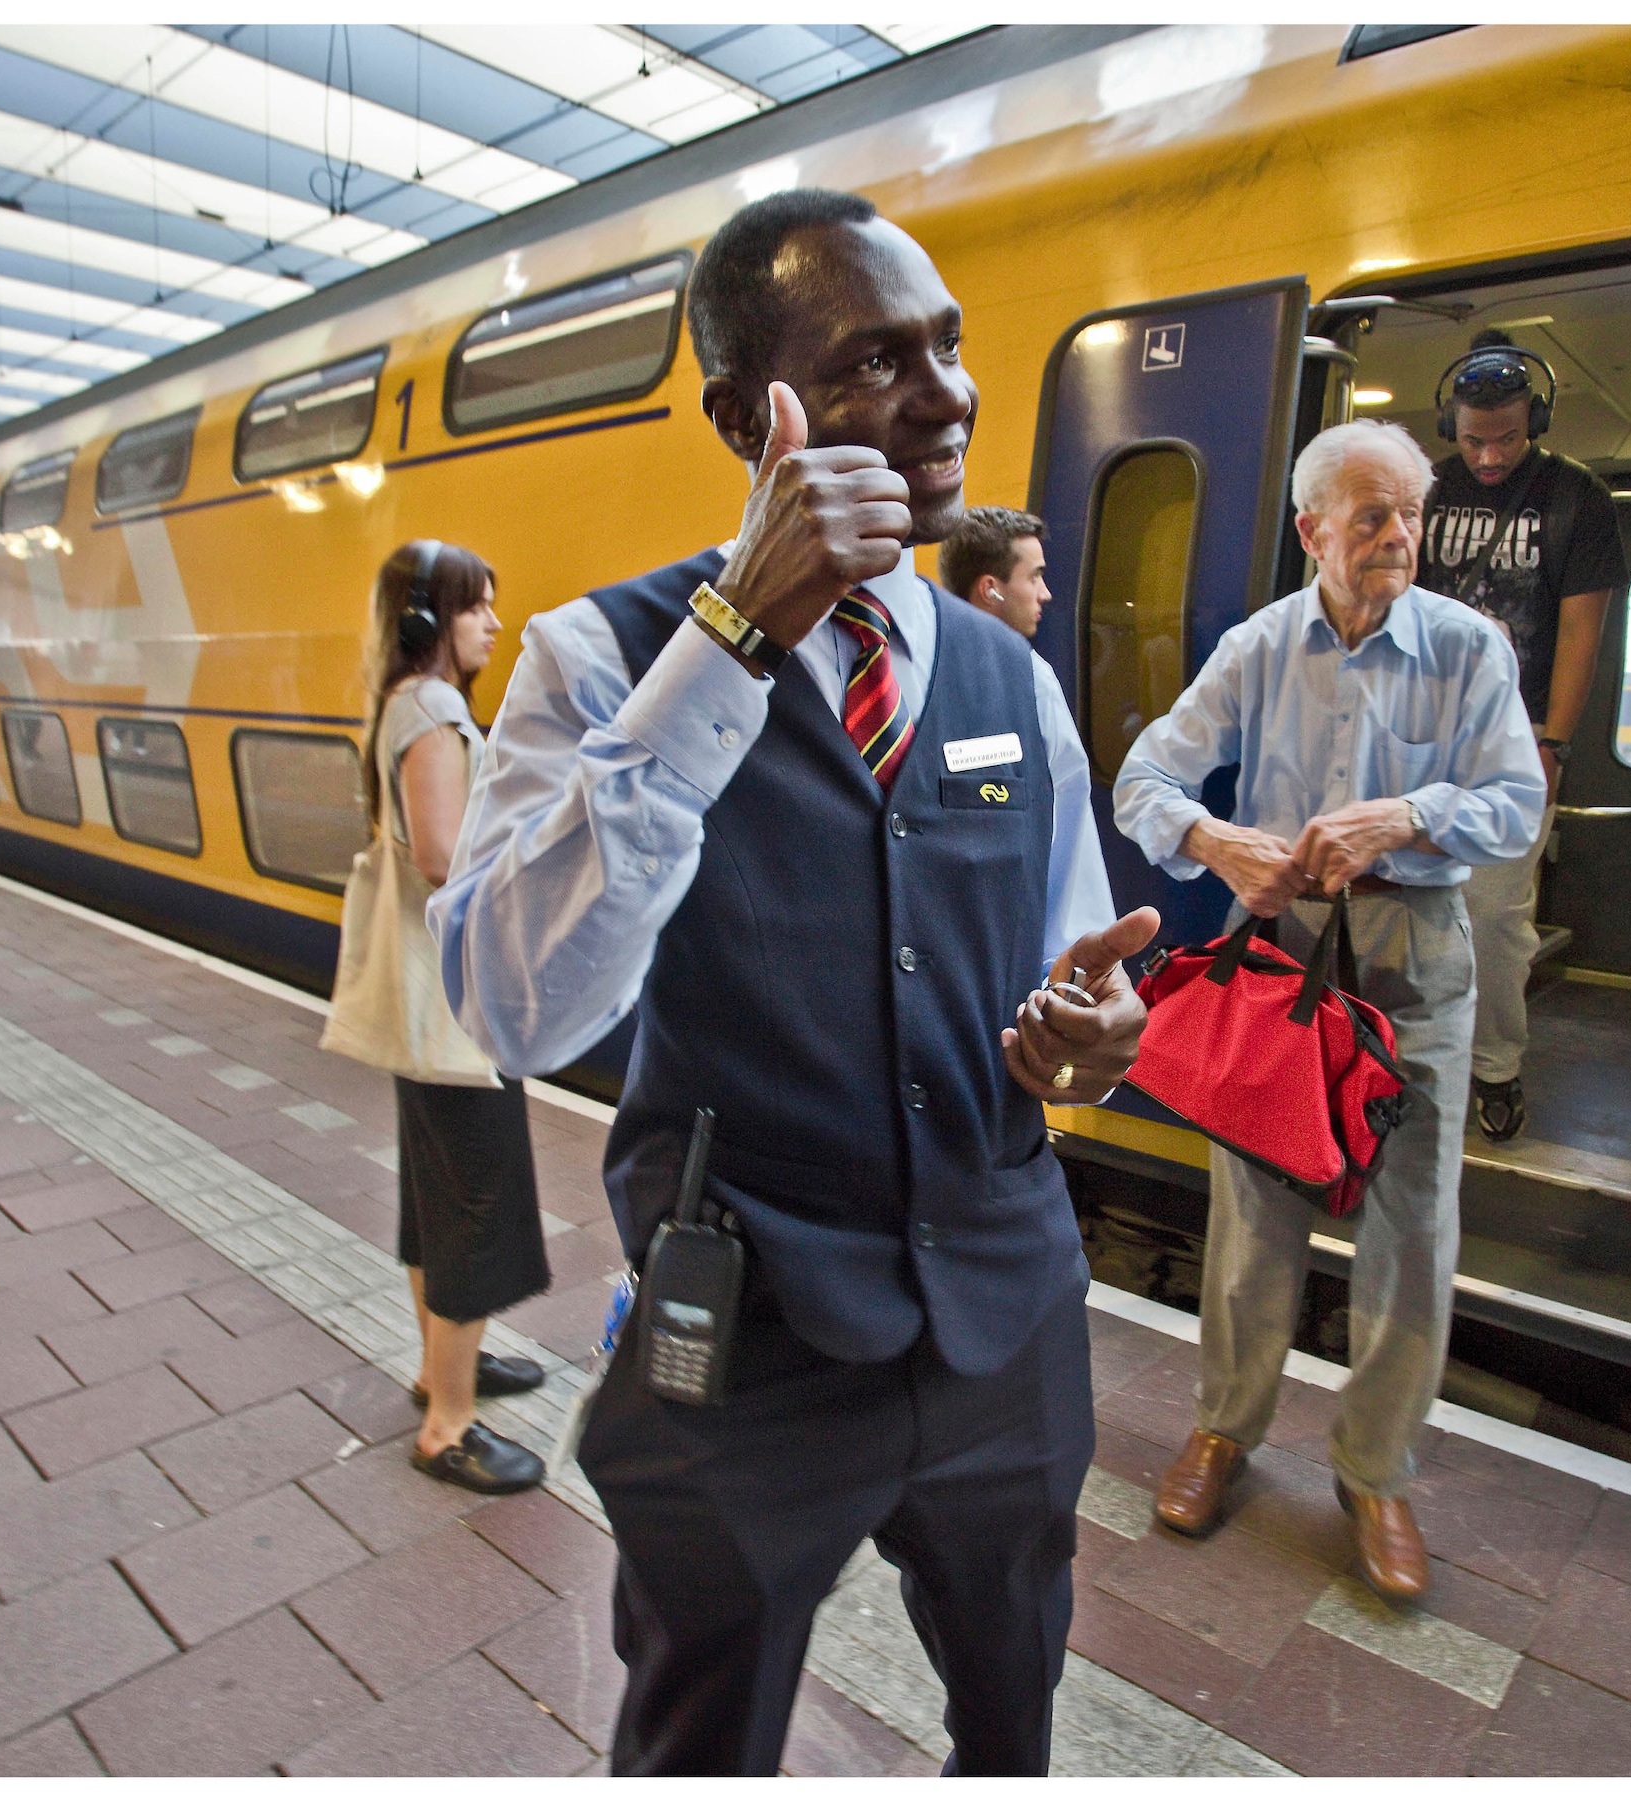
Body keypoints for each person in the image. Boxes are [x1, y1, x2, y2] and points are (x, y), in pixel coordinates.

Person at [431, 188, 1155, 1776]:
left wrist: (1088, 1044)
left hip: (1001, 1322)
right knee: (702, 1731)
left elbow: (1071, 976)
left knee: (1014, 1703)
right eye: (874, 359)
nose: (948, 394)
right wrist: (735, 636)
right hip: (741, 1350)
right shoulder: (597, 660)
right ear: (743, 417)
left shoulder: (1003, 676)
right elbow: (510, 1006)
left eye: (949, 346)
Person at [1114, 418, 1545, 1599]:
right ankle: (1225, 1430)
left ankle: (1375, 1474)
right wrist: (1209, 838)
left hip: (1417, 957)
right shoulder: (1258, 648)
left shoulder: (1466, 648)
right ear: (1312, 530)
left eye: (1408, 513)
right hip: (1283, 954)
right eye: (1369, 516)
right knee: (1255, 1210)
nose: (1396, 536)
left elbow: (1516, 804)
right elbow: (1140, 778)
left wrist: (1408, 816)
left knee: (1411, 1227)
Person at [341, 540, 552, 1493]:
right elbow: (441, 856)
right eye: (478, 607)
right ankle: (449, 1428)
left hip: (425, 1002)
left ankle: (441, 1370)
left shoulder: (400, 703)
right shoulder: (432, 710)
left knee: (433, 1203)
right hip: (457, 1003)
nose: (495, 623)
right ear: (432, 621)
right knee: (476, 1205)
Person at [1420, 330, 1624, 1141]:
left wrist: (1555, 742)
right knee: (1409, 907)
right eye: (1475, 438)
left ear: (1534, 418)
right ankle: (1417, 1063)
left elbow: (1581, 633)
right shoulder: (1423, 490)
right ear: (1452, 427)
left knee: (1497, 915)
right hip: (1422, 738)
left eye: (1507, 436)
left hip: (1517, 741)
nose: (1492, 454)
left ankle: (1495, 1065)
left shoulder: (1575, 496)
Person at [939, 504, 1050, 639]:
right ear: (989, 590)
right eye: (1034, 577)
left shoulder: (929, 652)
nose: (1045, 595)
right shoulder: (1021, 660)